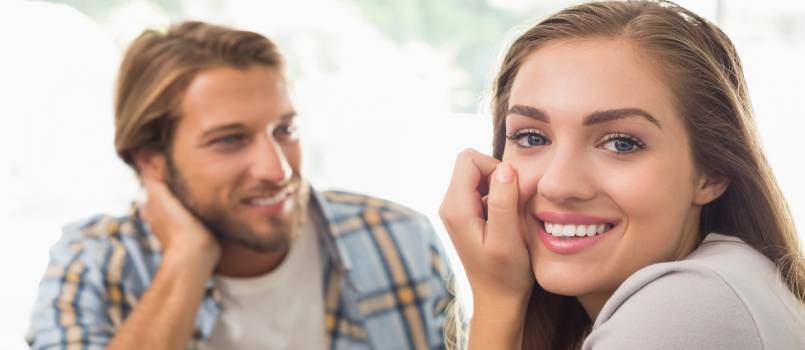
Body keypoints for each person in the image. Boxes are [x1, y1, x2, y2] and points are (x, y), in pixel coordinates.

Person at [27, 21, 451, 350]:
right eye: (230, 140)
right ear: (151, 160)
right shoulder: (92, 265)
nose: (278, 170)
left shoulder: (400, 239)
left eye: (284, 129)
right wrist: (187, 258)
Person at [439, 1, 805, 349]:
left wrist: (497, 299)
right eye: (532, 137)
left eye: (621, 144)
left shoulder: (683, 310)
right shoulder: (728, 281)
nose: (558, 184)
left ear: (711, 174)